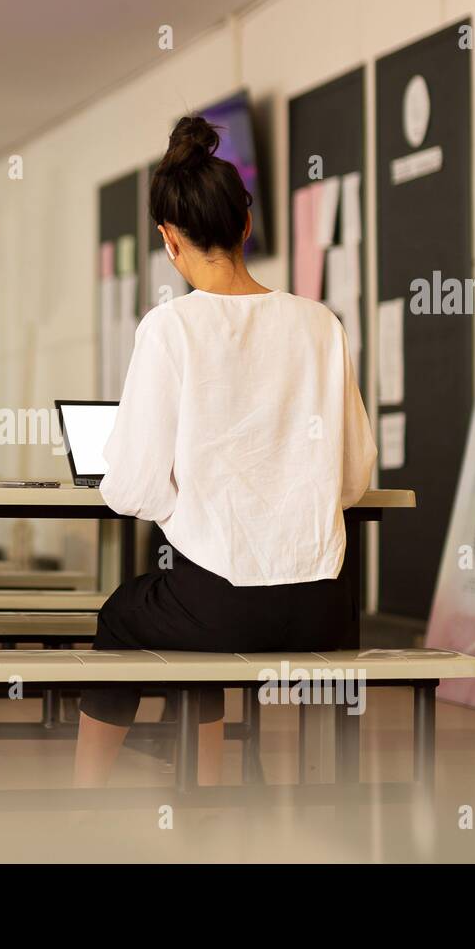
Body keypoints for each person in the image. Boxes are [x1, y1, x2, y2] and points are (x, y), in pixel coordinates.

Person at [72, 116, 376, 788]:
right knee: (193, 594)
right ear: (246, 226)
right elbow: (354, 478)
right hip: (325, 606)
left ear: (168, 241)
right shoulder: (321, 323)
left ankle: (85, 793)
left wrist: (193, 498)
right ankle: (210, 783)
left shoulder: (169, 329)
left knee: (125, 613)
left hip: (221, 608)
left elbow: (132, 490)